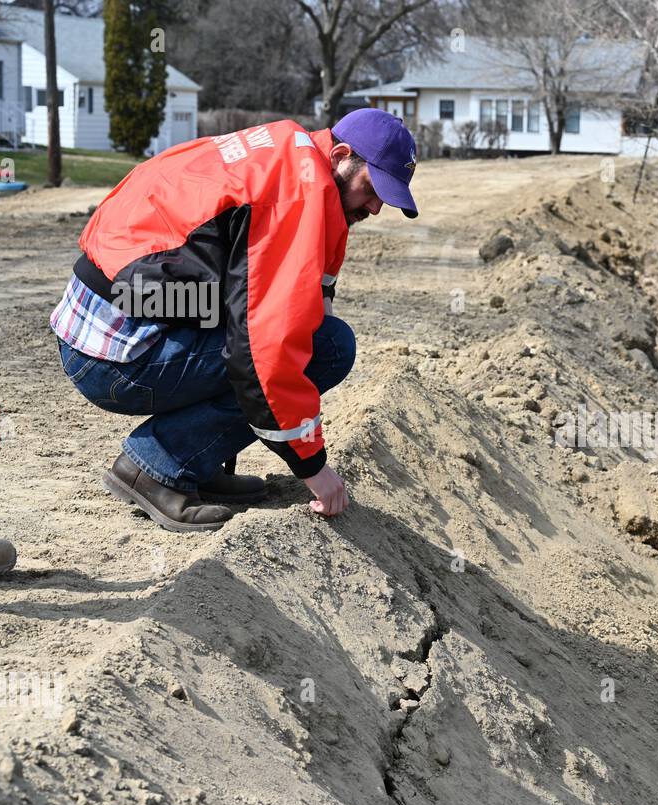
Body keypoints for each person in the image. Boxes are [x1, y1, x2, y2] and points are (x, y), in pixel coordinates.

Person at [50, 109, 418, 532]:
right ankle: (155, 465)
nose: (375, 207)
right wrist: (313, 467)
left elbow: (302, 289)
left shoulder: (291, 152)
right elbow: (263, 351)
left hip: (106, 316)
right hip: (111, 353)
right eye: (372, 189)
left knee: (310, 338)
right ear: (340, 155)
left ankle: (197, 461)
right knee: (327, 350)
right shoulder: (300, 191)